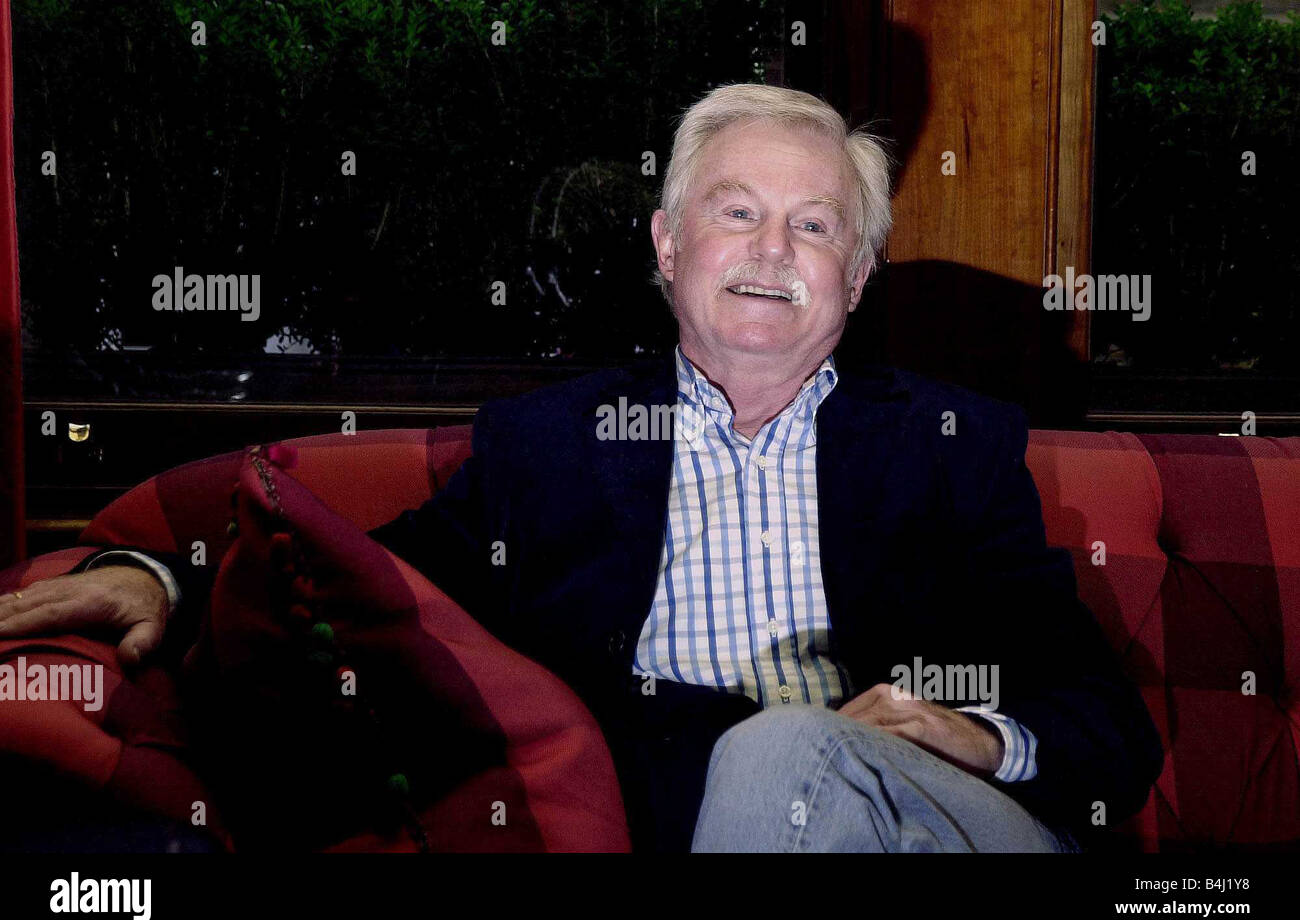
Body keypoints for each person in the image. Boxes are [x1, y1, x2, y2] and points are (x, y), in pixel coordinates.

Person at [0, 83, 1163, 852]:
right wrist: (159, 574)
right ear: (668, 246)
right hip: (660, 819)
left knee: (780, 750)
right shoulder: (548, 448)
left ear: (855, 278)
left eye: (815, 227)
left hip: (929, 823)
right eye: (738, 212)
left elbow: (1105, 724)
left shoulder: (950, 449)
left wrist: (981, 734)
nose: (772, 251)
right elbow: (361, 584)